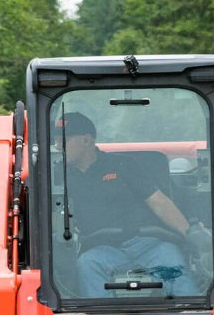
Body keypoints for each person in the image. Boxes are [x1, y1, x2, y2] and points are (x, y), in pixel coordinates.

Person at [55, 111, 201, 297]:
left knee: (175, 270)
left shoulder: (123, 166)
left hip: (150, 244)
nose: (58, 146)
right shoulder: (58, 177)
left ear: (86, 140)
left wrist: (191, 233)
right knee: (87, 264)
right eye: (56, 141)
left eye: (63, 140)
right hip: (100, 249)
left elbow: (159, 202)